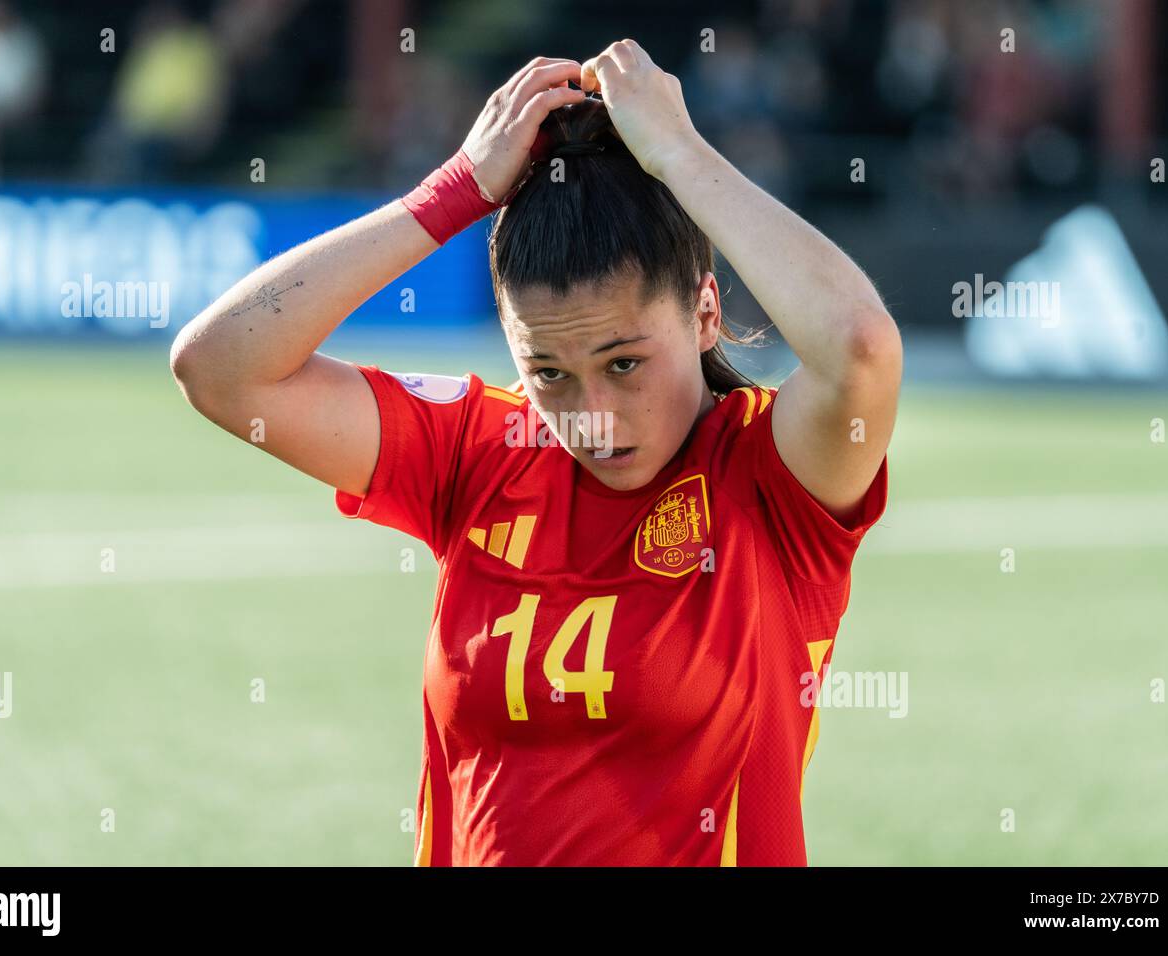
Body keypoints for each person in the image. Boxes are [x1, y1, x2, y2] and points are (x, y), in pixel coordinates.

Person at [169, 40, 902, 866]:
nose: (589, 416)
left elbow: (862, 349)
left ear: (704, 314)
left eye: (624, 364)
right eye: (547, 372)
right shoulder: (481, 452)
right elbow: (221, 368)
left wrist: (681, 155)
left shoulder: (772, 482)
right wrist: (455, 193)